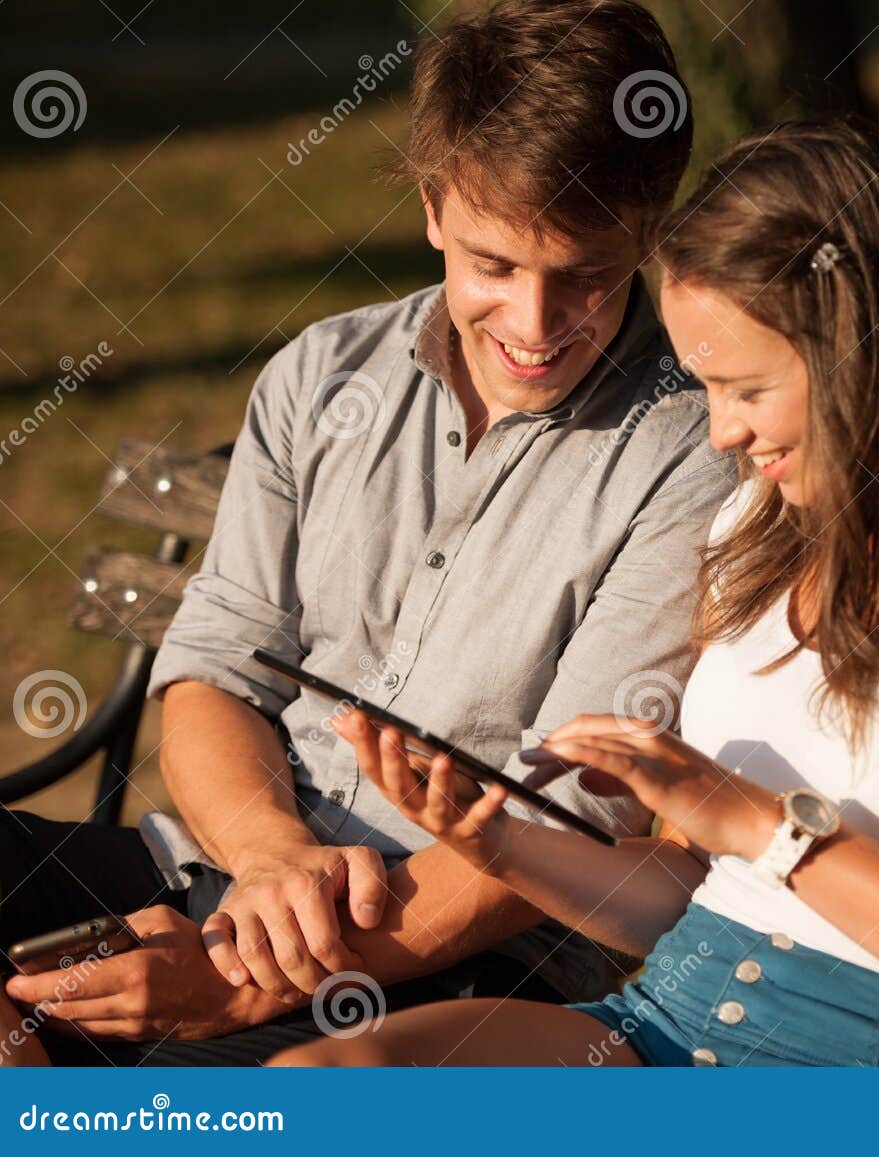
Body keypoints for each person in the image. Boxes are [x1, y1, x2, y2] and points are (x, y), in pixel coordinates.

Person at [269, 117, 879, 1068]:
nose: (721, 433)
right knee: (328, 1079)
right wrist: (494, 840)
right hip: (663, 1032)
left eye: (748, 389)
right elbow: (684, 889)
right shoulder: (759, 529)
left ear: (867, 354)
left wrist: (769, 829)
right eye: (706, 385)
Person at [0, 0, 733, 1066]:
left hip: (456, 956)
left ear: (650, 238)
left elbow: (573, 814)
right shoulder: (324, 372)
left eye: (586, 274)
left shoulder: (690, 453)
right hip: (221, 869)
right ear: (434, 206)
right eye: (493, 265)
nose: (536, 327)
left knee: (184, 1098)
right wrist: (267, 859)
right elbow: (212, 671)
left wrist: (247, 974)